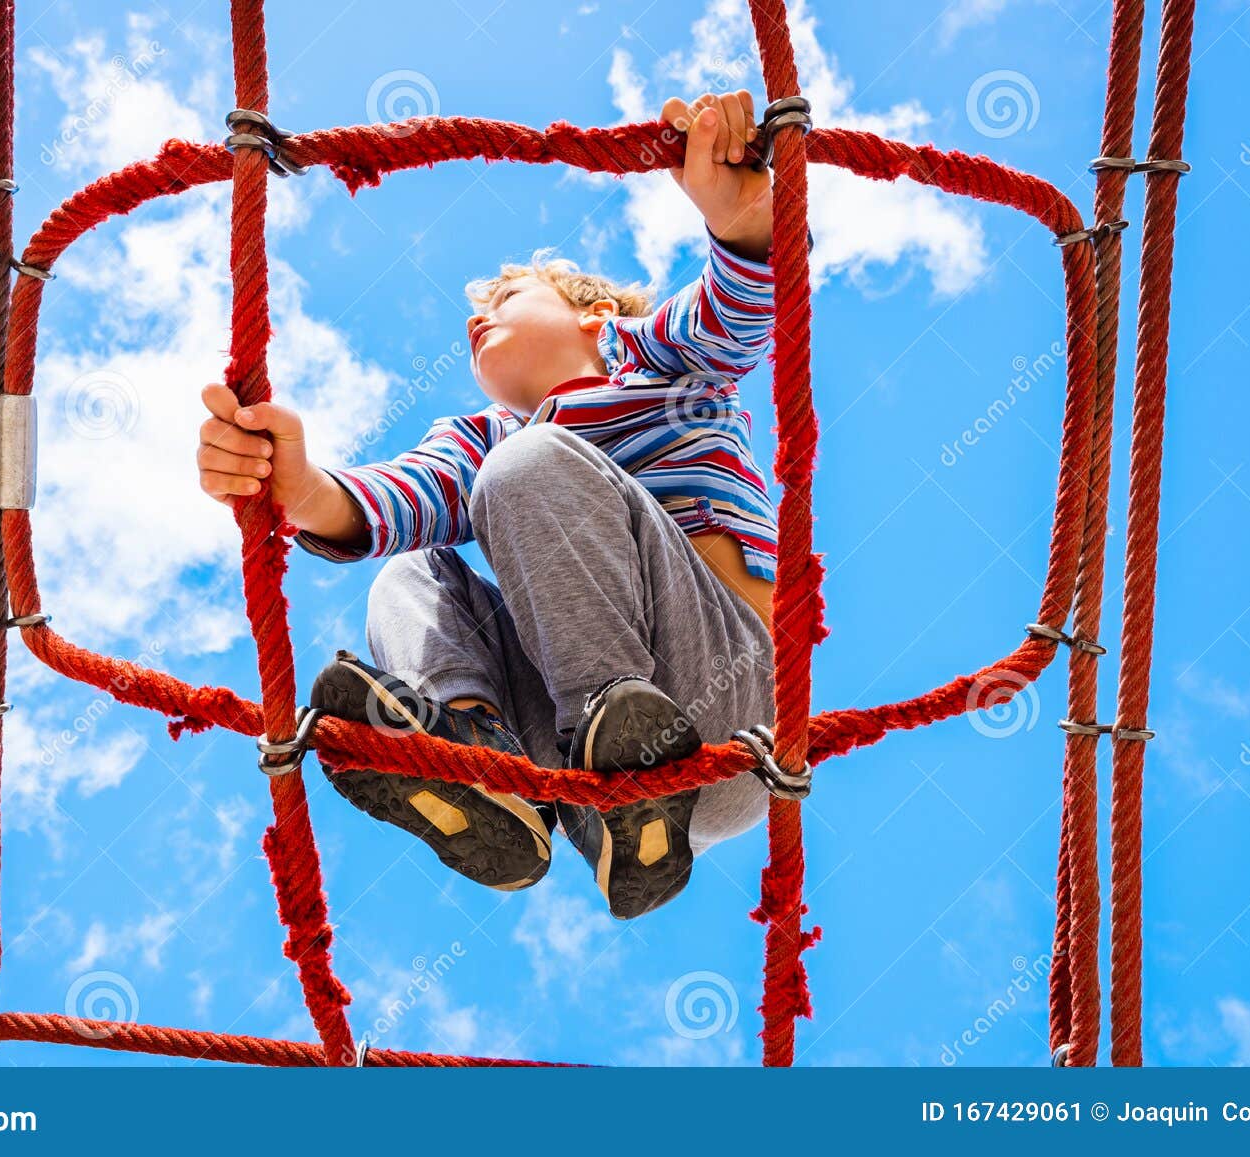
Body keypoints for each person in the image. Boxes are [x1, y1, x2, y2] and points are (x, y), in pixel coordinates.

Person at [197, 90, 811, 919]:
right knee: (413, 569)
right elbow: (398, 501)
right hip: (581, 769)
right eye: (474, 313)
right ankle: (479, 757)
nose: (476, 315)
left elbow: (739, 312)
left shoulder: (658, 362)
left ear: (596, 317)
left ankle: (621, 735)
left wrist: (744, 220)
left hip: (730, 713)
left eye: (504, 298)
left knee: (526, 463)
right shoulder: (487, 441)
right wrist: (299, 489)